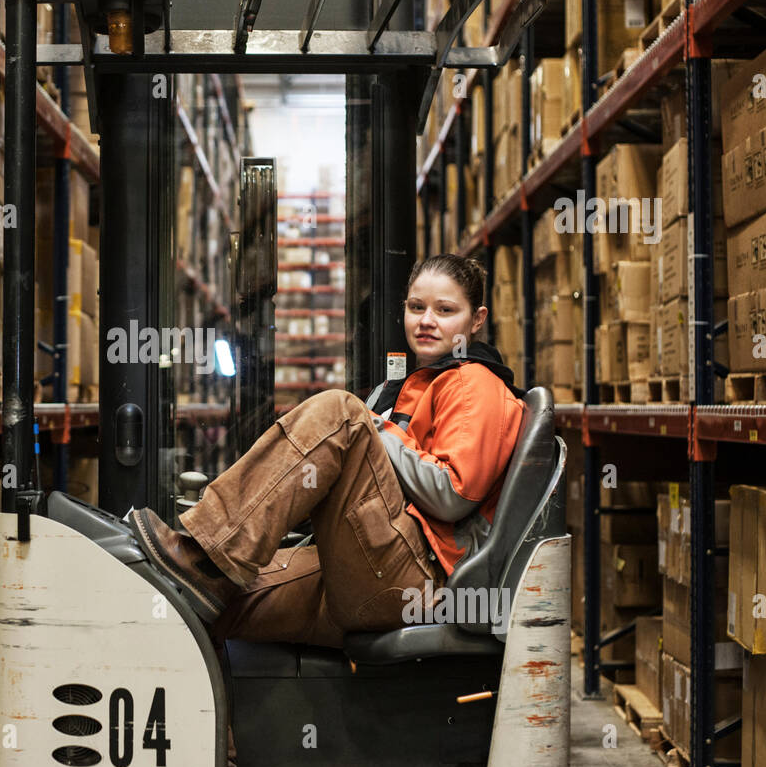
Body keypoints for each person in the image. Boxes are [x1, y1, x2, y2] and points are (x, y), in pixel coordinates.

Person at [128, 253, 528, 650]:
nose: (426, 320)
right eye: (416, 307)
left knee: (342, 411)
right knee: (207, 602)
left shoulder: (474, 382)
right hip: (377, 563)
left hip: (419, 580)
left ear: (476, 320)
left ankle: (207, 551)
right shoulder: (410, 386)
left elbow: (452, 494)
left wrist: (373, 426)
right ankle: (202, 578)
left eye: (445, 310)